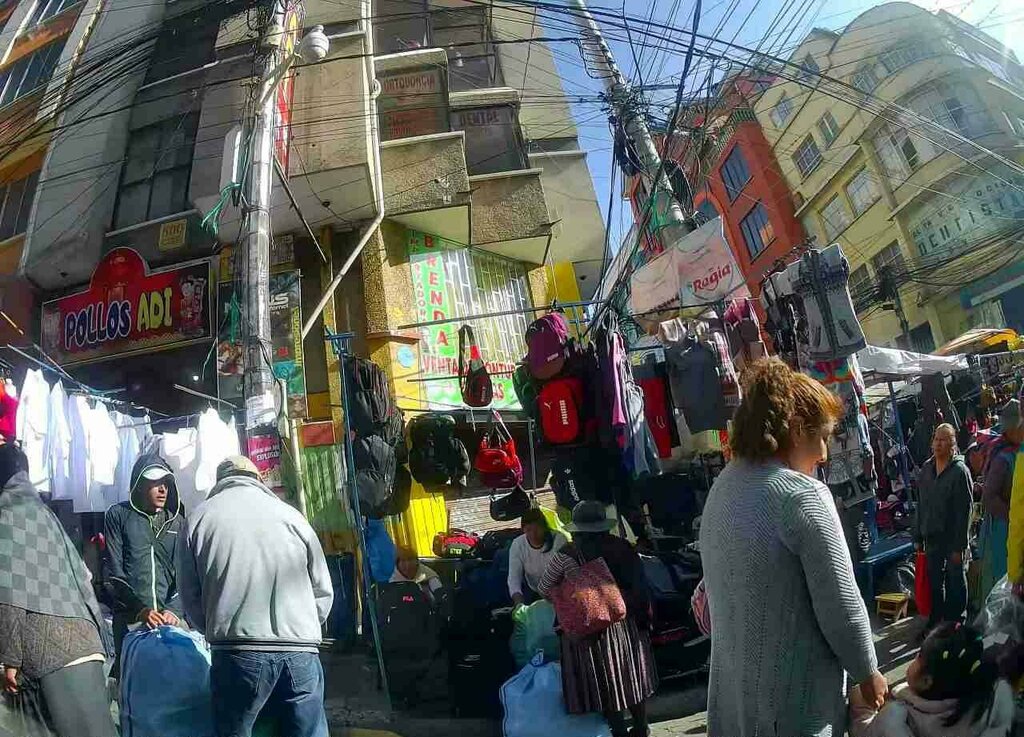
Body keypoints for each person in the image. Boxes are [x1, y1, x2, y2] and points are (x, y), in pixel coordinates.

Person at [700, 358, 884, 737]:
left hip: (731, 711)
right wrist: (868, 671)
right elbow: (840, 602)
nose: (824, 454)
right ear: (797, 430)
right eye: (823, 437)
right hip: (793, 712)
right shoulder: (801, 495)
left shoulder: (721, 491)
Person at [176, 455, 334, 737]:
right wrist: (305, 626)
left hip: (237, 651)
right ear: (258, 479)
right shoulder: (292, 516)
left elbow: (190, 596)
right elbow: (322, 589)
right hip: (300, 650)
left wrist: (216, 627)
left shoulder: (199, 518)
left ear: (220, 481)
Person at [0, 443, 117, 737]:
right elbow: (82, 575)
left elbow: (10, 595)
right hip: (87, 642)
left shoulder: (7, 517)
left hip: (50, 652)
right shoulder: (45, 514)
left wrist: (10, 659)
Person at [538, 501, 656, 737]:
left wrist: (568, 596)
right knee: (629, 677)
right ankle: (641, 727)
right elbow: (641, 586)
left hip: (588, 627)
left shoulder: (567, 554)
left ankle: (619, 730)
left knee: (603, 683)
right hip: (624, 622)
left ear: (577, 527)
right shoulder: (622, 547)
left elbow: (543, 587)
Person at [849, 623, 1013, 737]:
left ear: (927, 681)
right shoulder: (984, 709)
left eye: (919, 655)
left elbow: (864, 731)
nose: (914, 657)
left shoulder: (895, 719)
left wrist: (860, 703)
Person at [103, 452, 184, 671]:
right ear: (139, 484)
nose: (162, 489)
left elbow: (186, 575)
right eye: (154, 482)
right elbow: (113, 573)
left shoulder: (177, 522)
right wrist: (140, 610)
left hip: (169, 625)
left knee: (170, 684)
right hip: (131, 622)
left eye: (165, 482)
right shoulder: (118, 515)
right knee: (132, 685)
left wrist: (175, 610)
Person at [913, 423, 973, 628]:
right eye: (936, 439)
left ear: (952, 444)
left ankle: (958, 622)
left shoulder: (959, 471)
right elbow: (920, 505)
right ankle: (936, 621)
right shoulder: (926, 470)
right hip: (931, 536)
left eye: (944, 439)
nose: (938, 443)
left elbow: (965, 512)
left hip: (952, 538)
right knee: (935, 583)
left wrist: (960, 546)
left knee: (956, 579)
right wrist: (917, 536)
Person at [980, 400, 1024, 599]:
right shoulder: (1002, 458)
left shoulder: (1016, 452)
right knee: (1004, 582)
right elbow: (989, 497)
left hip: (1015, 524)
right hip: (1003, 529)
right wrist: (1014, 516)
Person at [508, 507, 568, 607]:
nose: (533, 534)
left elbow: (567, 571)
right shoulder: (518, 544)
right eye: (528, 530)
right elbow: (514, 578)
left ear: (545, 528)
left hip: (561, 590)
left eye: (537, 529)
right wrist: (519, 604)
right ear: (523, 530)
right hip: (535, 591)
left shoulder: (559, 539)